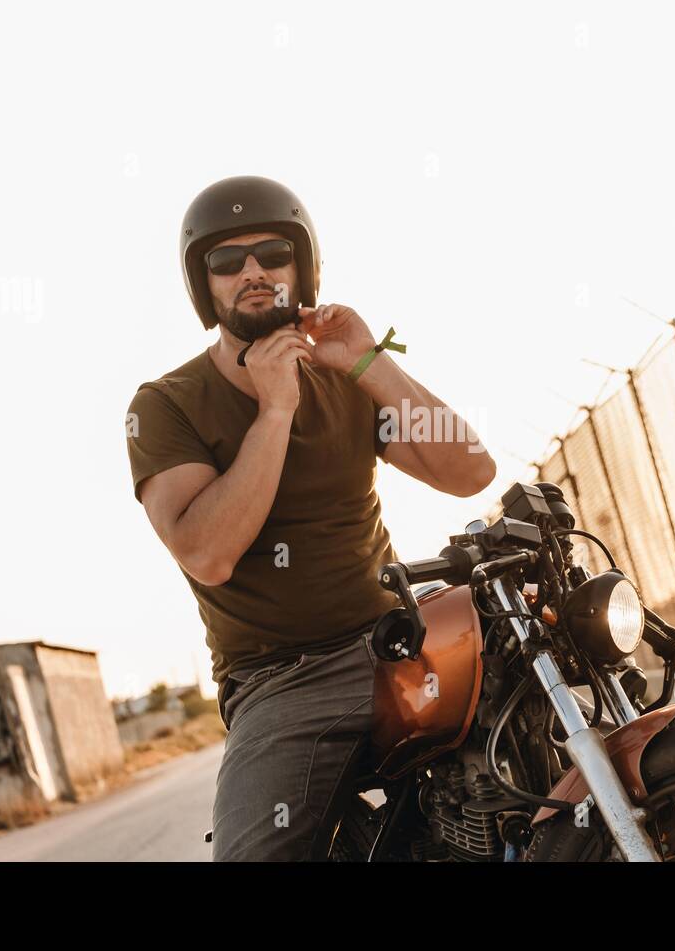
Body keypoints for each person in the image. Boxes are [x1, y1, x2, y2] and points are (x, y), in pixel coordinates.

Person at [124, 176, 495, 860]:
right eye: (227, 261)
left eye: (272, 254)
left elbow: (470, 470)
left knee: (542, 729)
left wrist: (369, 361)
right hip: (282, 679)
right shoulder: (166, 403)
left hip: (399, 637)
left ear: (303, 267)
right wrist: (275, 408)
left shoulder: (346, 373)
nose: (253, 272)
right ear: (203, 284)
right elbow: (206, 554)